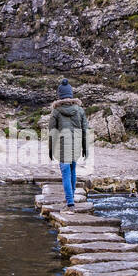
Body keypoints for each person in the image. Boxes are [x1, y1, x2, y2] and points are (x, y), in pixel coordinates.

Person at [48, 79, 89, 207]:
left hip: (62, 146)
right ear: (71, 94)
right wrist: (85, 148)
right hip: (76, 144)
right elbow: (85, 131)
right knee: (72, 170)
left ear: (60, 96)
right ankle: (71, 195)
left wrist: (50, 149)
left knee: (65, 172)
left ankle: (70, 201)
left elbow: (52, 132)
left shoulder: (56, 111)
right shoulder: (80, 110)